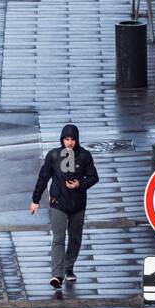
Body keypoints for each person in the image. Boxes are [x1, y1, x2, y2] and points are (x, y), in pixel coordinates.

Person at [30, 123, 99, 289]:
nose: (69, 143)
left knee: (75, 239)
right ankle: (57, 275)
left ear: (77, 140)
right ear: (62, 140)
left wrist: (79, 184)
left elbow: (93, 177)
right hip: (58, 204)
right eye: (66, 139)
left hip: (78, 205)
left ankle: (69, 267)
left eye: (72, 139)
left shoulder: (84, 156)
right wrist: (35, 200)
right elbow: (43, 178)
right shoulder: (53, 155)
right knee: (58, 239)